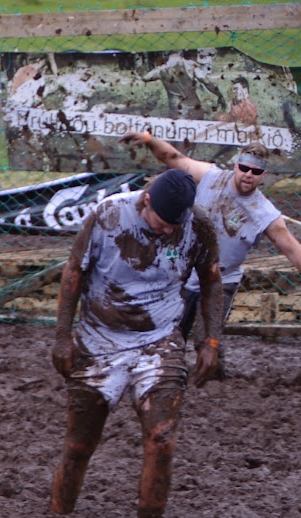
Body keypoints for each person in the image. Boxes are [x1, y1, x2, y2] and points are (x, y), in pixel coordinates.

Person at [49, 169, 222, 518]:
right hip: (99, 337)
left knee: (162, 438)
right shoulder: (108, 216)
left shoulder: (198, 225)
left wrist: (211, 339)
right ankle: (58, 516)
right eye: (162, 222)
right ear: (146, 201)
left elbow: (211, 279)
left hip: (160, 338)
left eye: (176, 224)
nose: (169, 230)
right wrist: (63, 337)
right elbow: (73, 272)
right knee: (79, 444)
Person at [122, 134, 301, 353]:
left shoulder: (265, 214)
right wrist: (149, 139)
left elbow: (292, 249)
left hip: (221, 279)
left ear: (263, 175)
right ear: (236, 165)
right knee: (169, 334)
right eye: (244, 168)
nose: (248, 175)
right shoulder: (211, 177)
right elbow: (173, 158)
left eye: (256, 172)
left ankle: (212, 377)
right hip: (185, 271)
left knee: (207, 343)